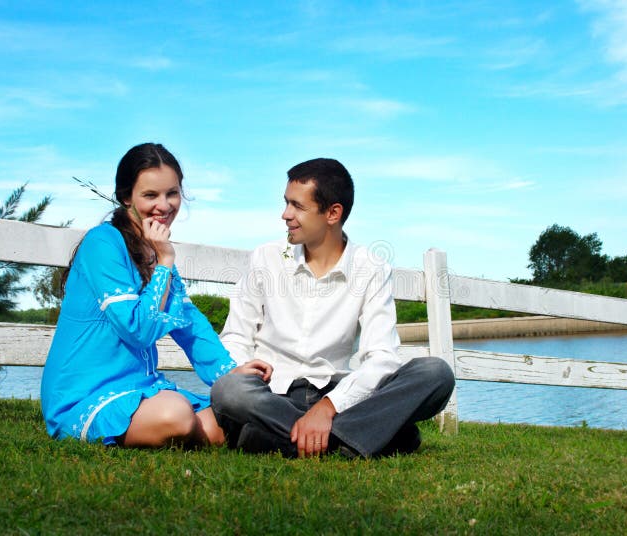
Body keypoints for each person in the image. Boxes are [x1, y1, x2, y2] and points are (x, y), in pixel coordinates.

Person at [211, 158, 455, 458]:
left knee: (436, 373)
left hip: (338, 394)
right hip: (272, 395)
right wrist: (238, 365)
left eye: (297, 206)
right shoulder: (266, 258)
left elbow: (382, 357)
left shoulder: (371, 268)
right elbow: (235, 335)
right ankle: (363, 436)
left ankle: (283, 437)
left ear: (333, 213)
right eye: (286, 203)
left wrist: (329, 407)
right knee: (228, 391)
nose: (285, 215)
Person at [41, 143, 270, 448]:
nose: (164, 206)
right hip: (85, 393)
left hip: (142, 388)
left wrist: (230, 375)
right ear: (126, 197)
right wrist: (164, 262)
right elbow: (137, 331)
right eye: (150, 195)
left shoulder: (152, 251)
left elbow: (190, 325)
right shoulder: (103, 243)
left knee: (227, 419)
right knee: (176, 415)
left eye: (172, 193)